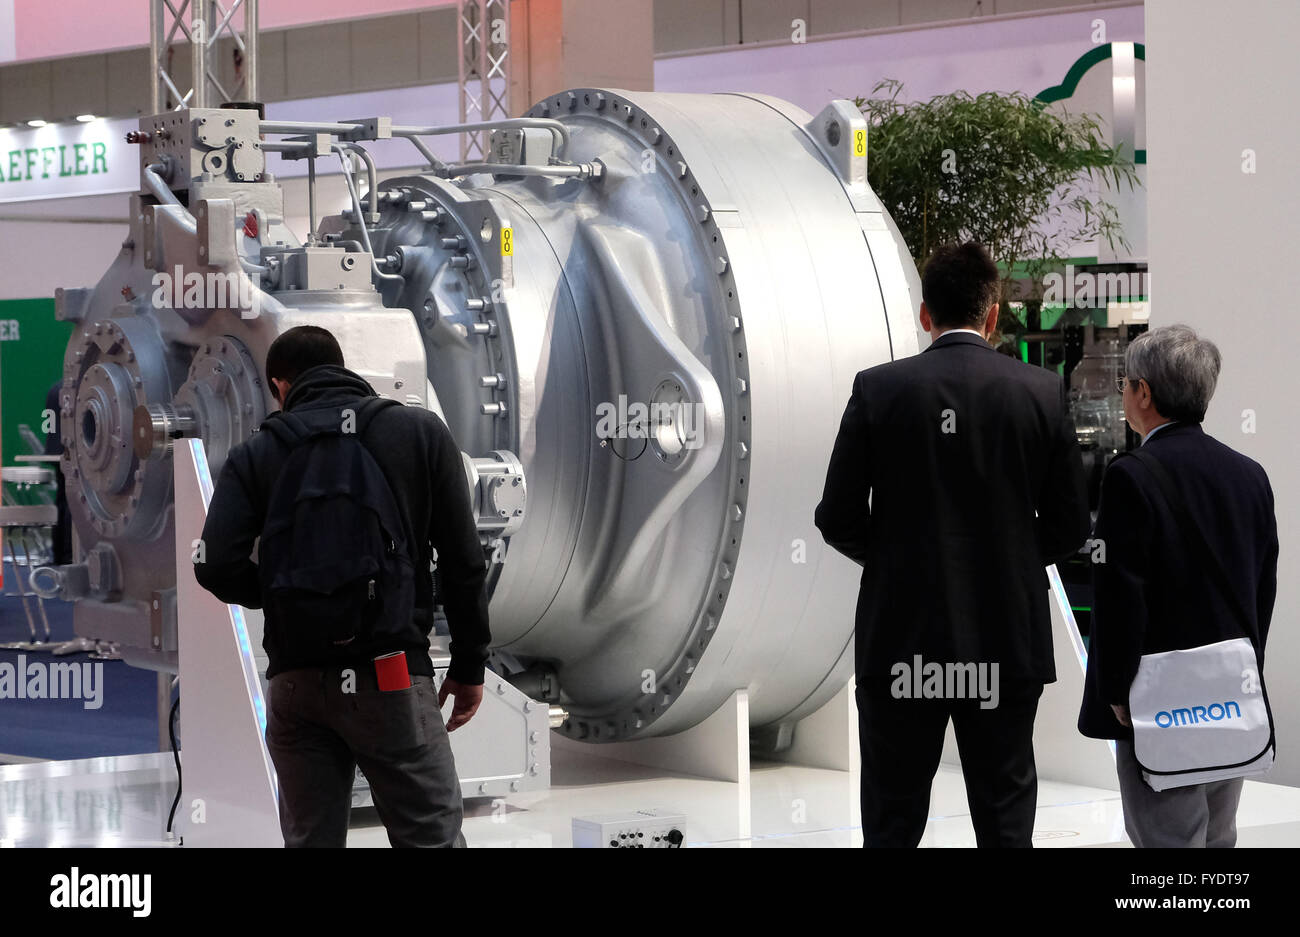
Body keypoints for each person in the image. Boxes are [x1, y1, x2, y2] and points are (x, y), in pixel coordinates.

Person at [815, 241, 1089, 847]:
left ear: (924, 315)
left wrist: (892, 561)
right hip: (1003, 642)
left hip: (903, 643)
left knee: (893, 819)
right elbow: (1072, 528)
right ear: (992, 316)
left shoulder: (878, 390)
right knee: (1006, 816)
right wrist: (1009, 558)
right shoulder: (1041, 393)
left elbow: (836, 517)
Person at [194, 325, 491, 847]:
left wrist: (286, 594)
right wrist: (469, 666)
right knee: (430, 838)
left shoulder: (256, 455)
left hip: (295, 683)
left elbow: (216, 565)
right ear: (342, 367)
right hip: (393, 677)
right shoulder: (419, 434)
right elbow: (464, 561)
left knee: (312, 842)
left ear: (279, 386)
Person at [1078, 325, 1278, 848]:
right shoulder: (1249, 474)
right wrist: (1246, 667)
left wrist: (1117, 690)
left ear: (1144, 393)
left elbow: (1120, 596)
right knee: (1218, 838)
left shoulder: (1132, 476)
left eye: (1126, 382)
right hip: (1227, 691)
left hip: (1159, 697)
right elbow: (1263, 587)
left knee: (1167, 843)